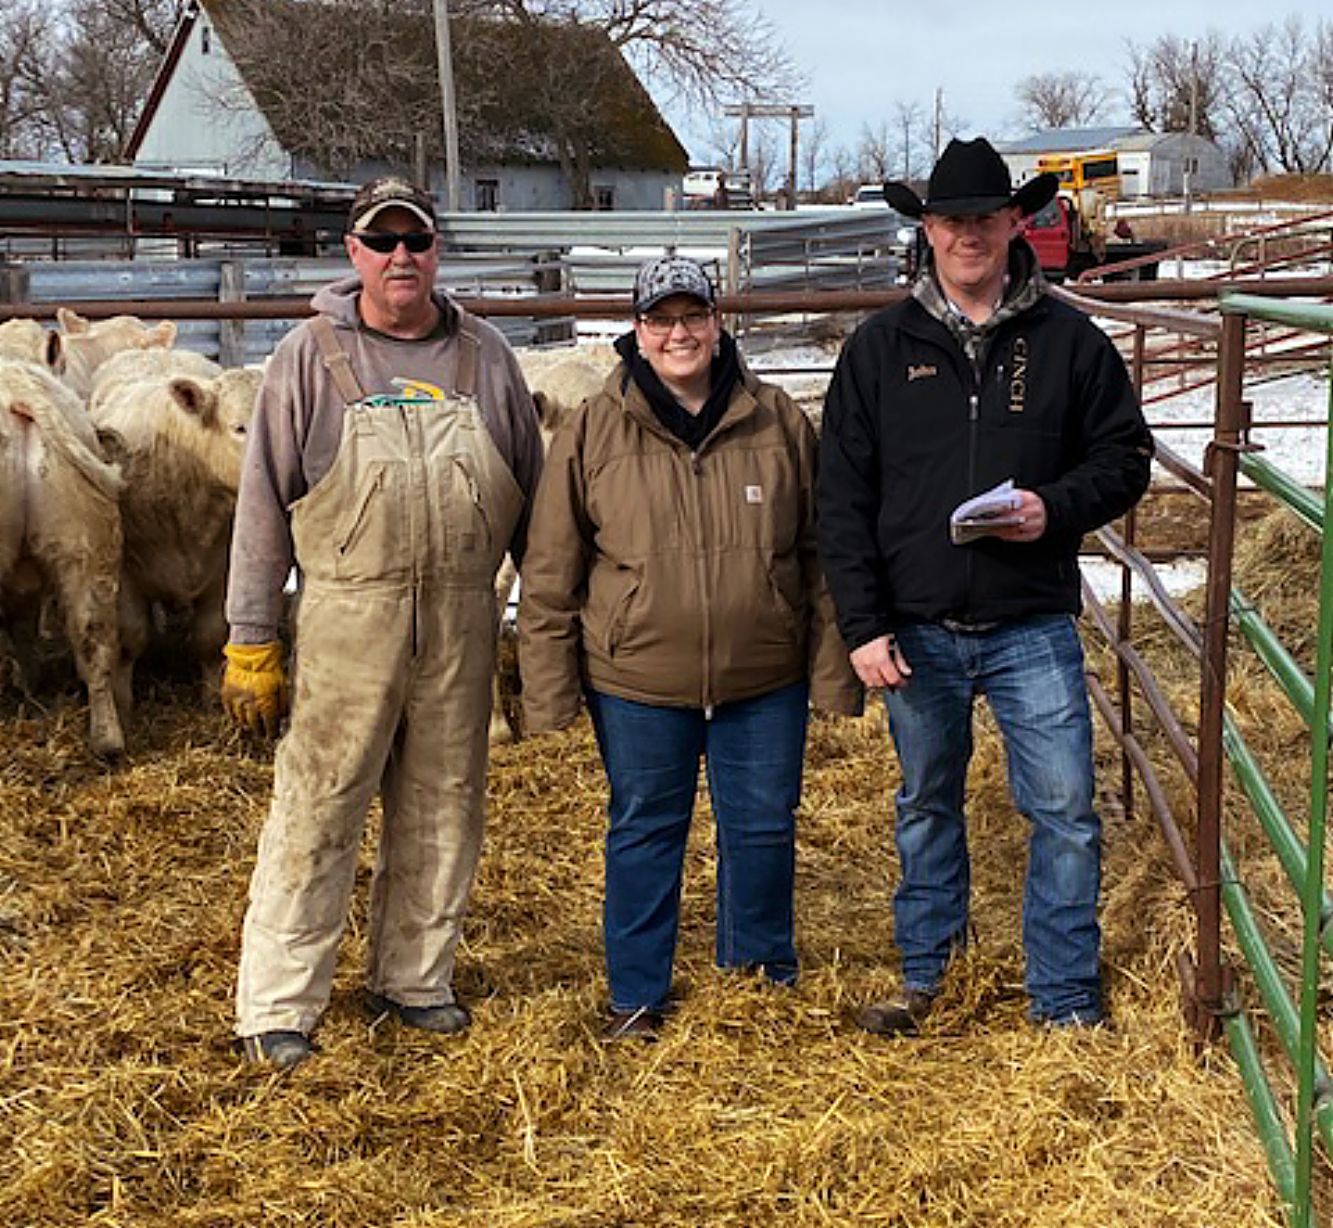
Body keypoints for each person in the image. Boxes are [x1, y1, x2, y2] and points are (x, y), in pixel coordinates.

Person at [817, 138, 1154, 1033]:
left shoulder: (1068, 343)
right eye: (951, 220)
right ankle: (931, 973)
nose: (969, 235)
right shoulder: (879, 350)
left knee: (1063, 808)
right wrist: (862, 623)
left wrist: (1054, 508)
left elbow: (1125, 458)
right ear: (925, 230)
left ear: (1016, 222)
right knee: (926, 801)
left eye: (985, 218)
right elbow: (841, 497)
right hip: (916, 620)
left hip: (1028, 619)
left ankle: (1064, 998)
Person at [221, 176, 544, 1068]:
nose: (401, 255)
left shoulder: (485, 356)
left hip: (461, 616)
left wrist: (537, 627)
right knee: (320, 801)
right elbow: (261, 505)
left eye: (417, 239)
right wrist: (251, 634)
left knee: (445, 802)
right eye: (382, 239)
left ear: (437, 251)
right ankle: (279, 1002)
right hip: (344, 618)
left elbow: (533, 501)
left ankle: (414, 980)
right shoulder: (308, 356)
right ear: (353, 252)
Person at [518, 254, 861, 1042]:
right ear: (635, 333)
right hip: (636, 677)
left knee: (765, 826)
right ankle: (636, 995)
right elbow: (549, 567)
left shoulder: (776, 420)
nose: (679, 334)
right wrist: (548, 693)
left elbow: (821, 556)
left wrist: (831, 674)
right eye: (661, 320)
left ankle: (758, 979)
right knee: (643, 828)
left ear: (718, 322)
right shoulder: (593, 429)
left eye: (693, 316)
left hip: (763, 673)